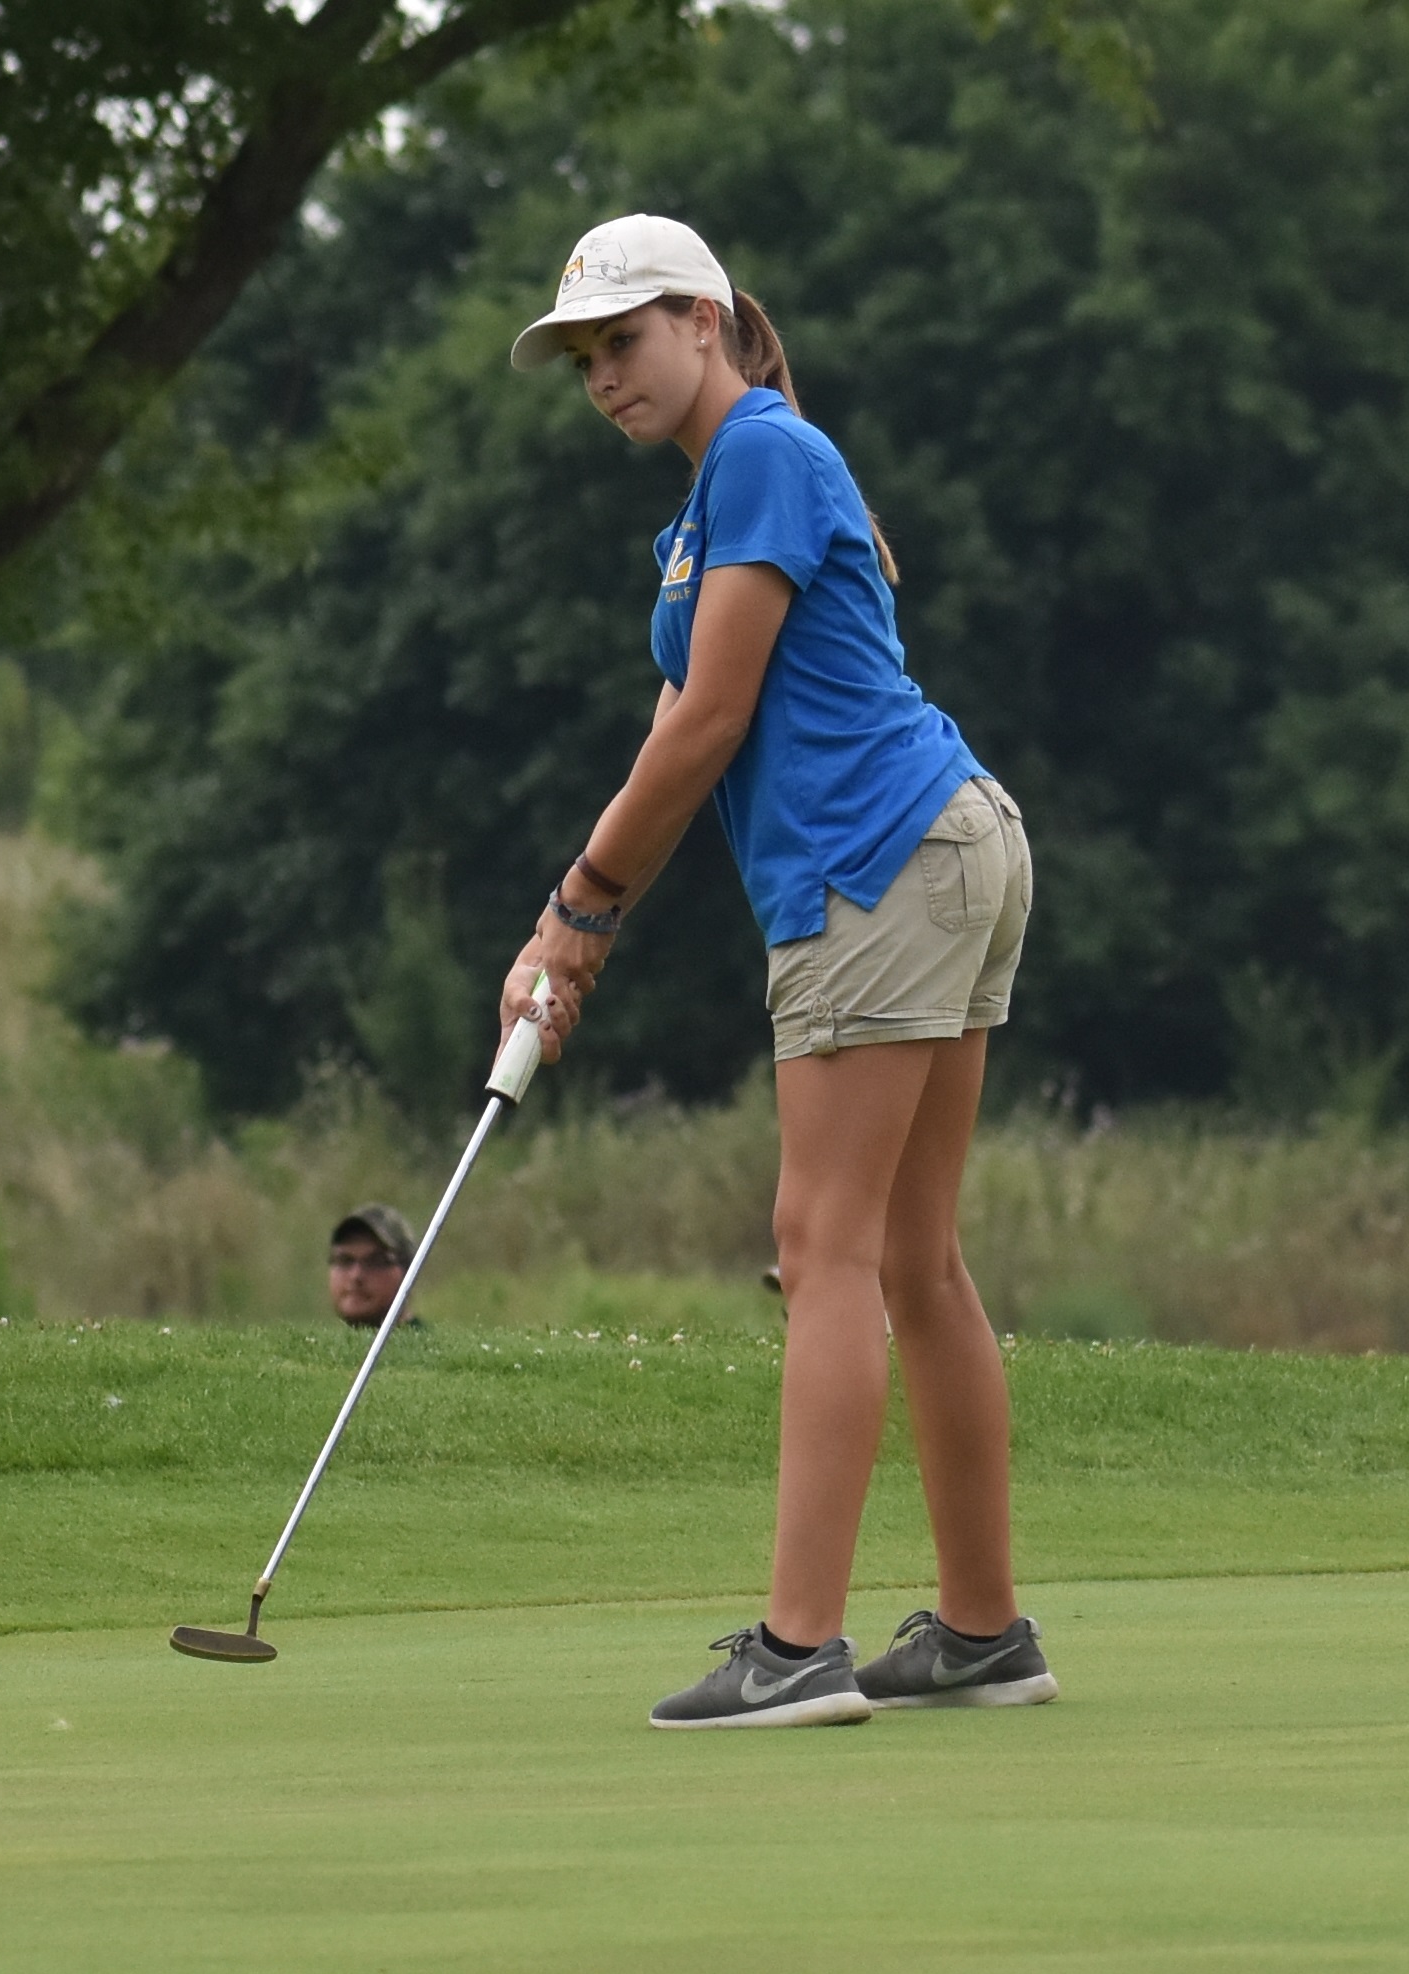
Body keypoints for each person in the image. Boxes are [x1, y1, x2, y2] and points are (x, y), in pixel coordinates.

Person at [498, 214, 1056, 1730]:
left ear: (701, 320)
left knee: (825, 1248)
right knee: (912, 1256)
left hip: (878, 864)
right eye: (583, 360)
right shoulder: (710, 504)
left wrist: (580, 904)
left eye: (621, 342)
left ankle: (798, 1647)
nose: (603, 376)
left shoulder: (756, 449)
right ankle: (982, 1631)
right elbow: (674, 731)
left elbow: (707, 725)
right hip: (941, 844)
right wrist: (578, 927)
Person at [327, 1204, 416, 1330]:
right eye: (344, 1260)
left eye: (376, 1262)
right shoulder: (323, 1347)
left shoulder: (428, 1347)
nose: (356, 1275)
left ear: (408, 1272)